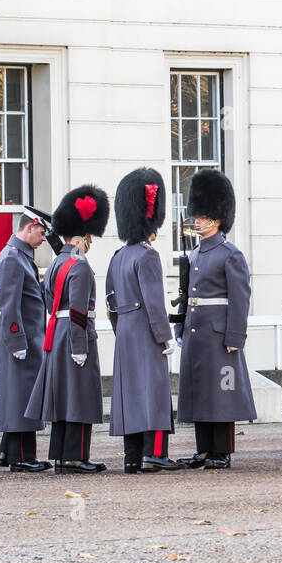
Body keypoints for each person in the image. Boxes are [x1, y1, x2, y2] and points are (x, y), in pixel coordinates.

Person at [174, 169, 258, 469]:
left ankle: (221, 450)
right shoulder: (195, 253)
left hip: (219, 334)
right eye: (196, 214)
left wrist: (235, 336)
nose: (196, 219)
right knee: (200, 391)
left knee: (222, 392)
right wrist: (181, 324)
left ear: (217, 218)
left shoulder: (229, 254)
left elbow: (240, 299)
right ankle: (204, 449)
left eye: (203, 215)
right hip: (198, 332)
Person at [25, 184, 110, 472]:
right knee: (80, 397)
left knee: (63, 397)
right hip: (74, 335)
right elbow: (78, 310)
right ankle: (76, 456)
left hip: (56, 334)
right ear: (85, 236)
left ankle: (61, 454)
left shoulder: (56, 263)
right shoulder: (80, 265)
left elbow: (50, 301)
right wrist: (80, 347)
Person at [107, 168, 181, 473]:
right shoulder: (148, 256)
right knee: (156, 390)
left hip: (124, 329)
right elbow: (154, 302)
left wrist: (121, 329)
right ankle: (156, 454)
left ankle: (132, 456)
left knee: (131, 394)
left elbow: (110, 303)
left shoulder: (117, 255)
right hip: (146, 330)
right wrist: (166, 337)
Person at [0, 205, 56, 472]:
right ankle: (21, 457)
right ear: (29, 227)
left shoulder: (21, 256)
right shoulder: (12, 258)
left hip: (28, 337)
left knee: (22, 395)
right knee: (21, 398)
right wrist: (17, 340)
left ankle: (8, 453)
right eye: (41, 232)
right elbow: (9, 305)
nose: (43, 238)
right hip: (20, 338)